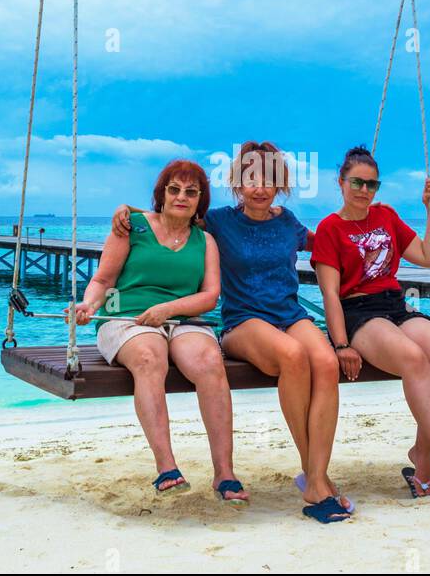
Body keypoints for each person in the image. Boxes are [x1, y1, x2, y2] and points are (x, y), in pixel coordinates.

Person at [113, 142, 348, 523]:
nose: (259, 188)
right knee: (292, 356)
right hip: (244, 321)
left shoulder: (287, 222)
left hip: (289, 314)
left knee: (325, 361)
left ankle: (316, 474)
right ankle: (314, 481)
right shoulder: (221, 221)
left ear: (281, 185)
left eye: (269, 180)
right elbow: (173, 212)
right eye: (251, 179)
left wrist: (371, 231)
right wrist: (127, 211)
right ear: (238, 183)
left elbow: (331, 244)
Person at [311, 145, 430, 502]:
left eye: (372, 185)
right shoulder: (330, 228)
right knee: (413, 358)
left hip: (394, 304)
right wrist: (342, 344)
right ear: (341, 182)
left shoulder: (386, 216)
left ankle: (421, 454)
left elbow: (429, 256)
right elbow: (330, 294)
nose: (364, 191)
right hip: (357, 312)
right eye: (357, 183)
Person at [72, 159, 248, 505]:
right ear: (161, 194)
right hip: (127, 318)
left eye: (191, 192)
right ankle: (167, 467)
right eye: (174, 189)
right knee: (151, 356)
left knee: (210, 362)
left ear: (200, 200)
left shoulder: (206, 241)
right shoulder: (132, 227)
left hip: (180, 319)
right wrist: (88, 305)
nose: (182, 197)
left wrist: (168, 309)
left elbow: (209, 296)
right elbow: (103, 280)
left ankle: (224, 472)